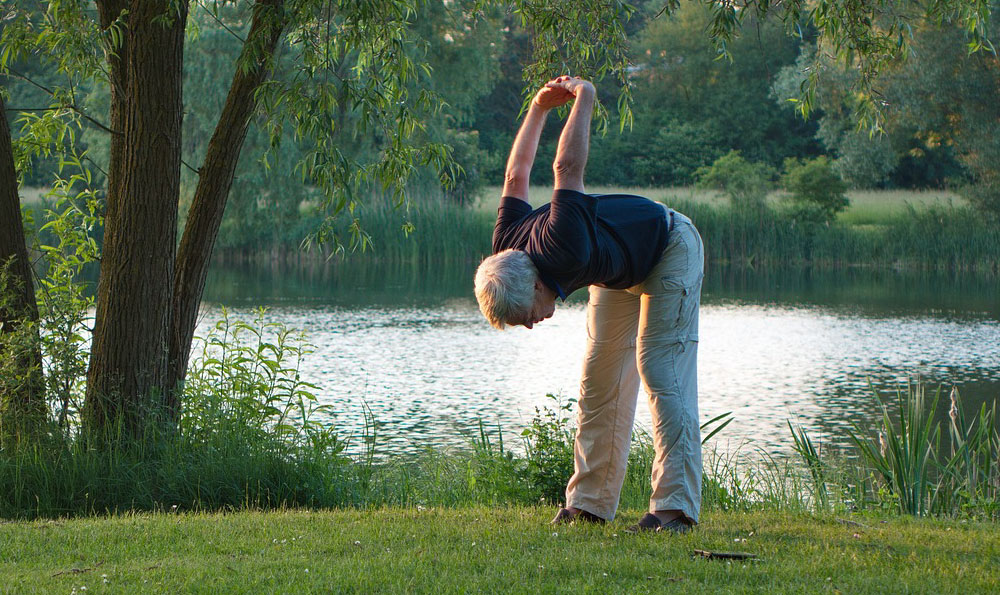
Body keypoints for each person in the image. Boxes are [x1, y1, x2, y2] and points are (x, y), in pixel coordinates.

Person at [474, 76, 704, 533]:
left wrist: (585, 99)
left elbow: (566, 168)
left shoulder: (563, 246)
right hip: (617, 268)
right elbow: (515, 176)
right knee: (598, 381)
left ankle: (674, 509)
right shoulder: (506, 247)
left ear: (536, 287)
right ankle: (589, 504)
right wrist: (538, 108)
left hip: (669, 246)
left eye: (525, 318)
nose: (532, 326)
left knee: (659, 368)